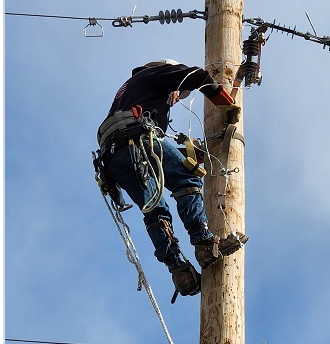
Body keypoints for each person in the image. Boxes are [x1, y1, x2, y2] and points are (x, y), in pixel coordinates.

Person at [96, 59, 248, 298]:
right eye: (179, 93)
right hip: (138, 138)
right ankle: (204, 243)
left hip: (115, 156)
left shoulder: (131, 91)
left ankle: (179, 270)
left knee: (154, 209)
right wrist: (223, 102)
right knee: (186, 179)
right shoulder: (155, 73)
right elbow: (197, 75)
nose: (177, 97)